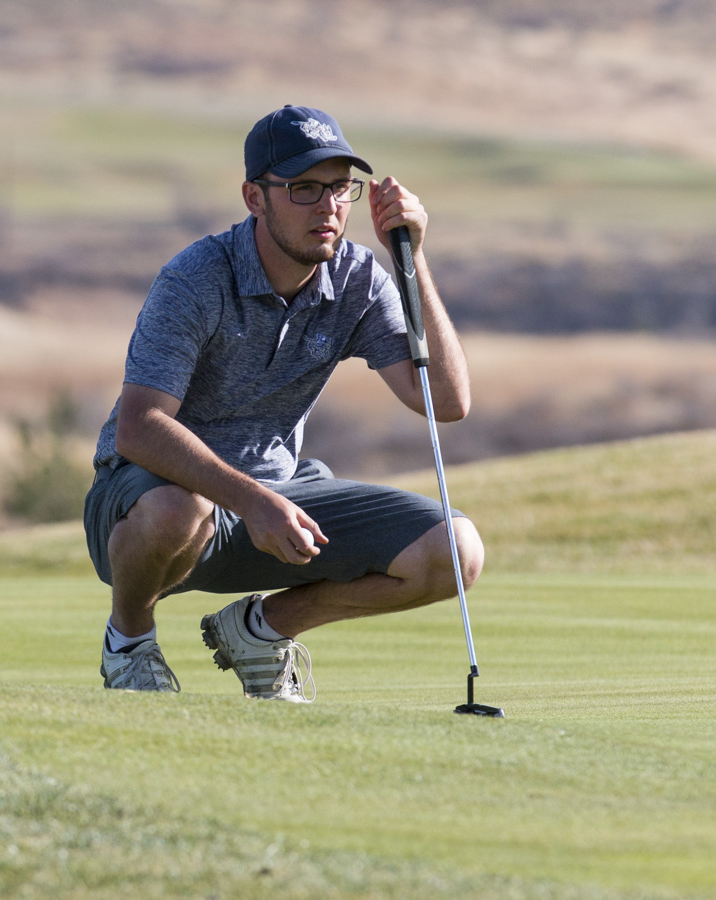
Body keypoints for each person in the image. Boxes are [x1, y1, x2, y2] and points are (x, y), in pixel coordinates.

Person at [83, 105, 482, 702]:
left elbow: (446, 402)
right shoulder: (196, 278)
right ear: (254, 197)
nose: (328, 207)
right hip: (149, 502)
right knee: (178, 509)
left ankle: (260, 632)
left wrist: (411, 256)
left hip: (277, 499)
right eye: (303, 189)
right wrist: (252, 500)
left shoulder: (358, 280)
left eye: (340, 187)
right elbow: (140, 429)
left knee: (456, 551)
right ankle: (130, 642)